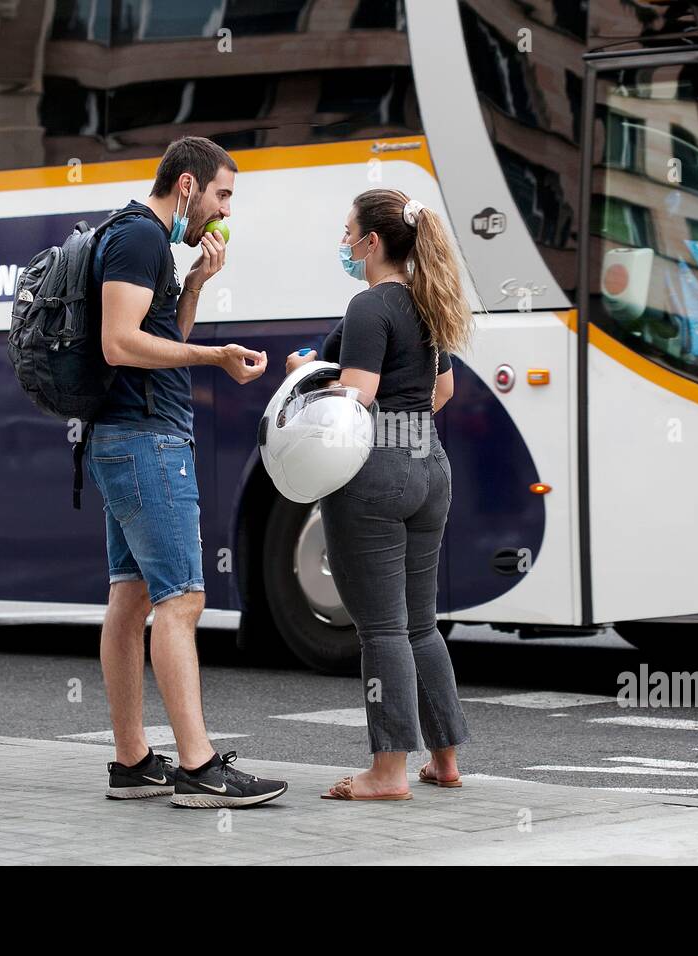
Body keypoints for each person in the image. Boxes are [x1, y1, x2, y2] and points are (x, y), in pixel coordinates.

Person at [87, 135, 287, 808]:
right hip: (147, 441)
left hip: (129, 436)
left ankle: (132, 761)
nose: (224, 210)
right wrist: (216, 355)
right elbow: (119, 343)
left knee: (134, 597)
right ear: (187, 188)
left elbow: (155, 337)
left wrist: (195, 286)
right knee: (183, 599)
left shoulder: (147, 241)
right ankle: (199, 770)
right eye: (222, 195)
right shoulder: (141, 237)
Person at [285, 188, 474, 801]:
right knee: (422, 624)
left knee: (383, 630)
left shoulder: (369, 306)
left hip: (376, 469)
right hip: (429, 461)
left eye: (348, 233)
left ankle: (388, 771)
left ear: (372, 242)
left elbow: (356, 397)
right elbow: (440, 394)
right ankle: (444, 760)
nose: (343, 243)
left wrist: (301, 380)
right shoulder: (428, 303)